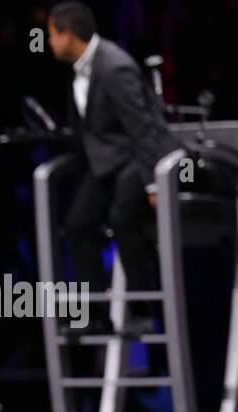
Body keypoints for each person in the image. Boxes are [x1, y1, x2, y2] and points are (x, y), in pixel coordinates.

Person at [47, 1, 178, 334]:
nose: (48, 43)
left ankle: (144, 312)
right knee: (77, 225)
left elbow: (143, 128)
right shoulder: (80, 68)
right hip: (109, 162)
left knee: (123, 218)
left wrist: (152, 185)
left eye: (51, 35)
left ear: (68, 34)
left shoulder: (114, 66)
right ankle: (96, 316)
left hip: (136, 158)